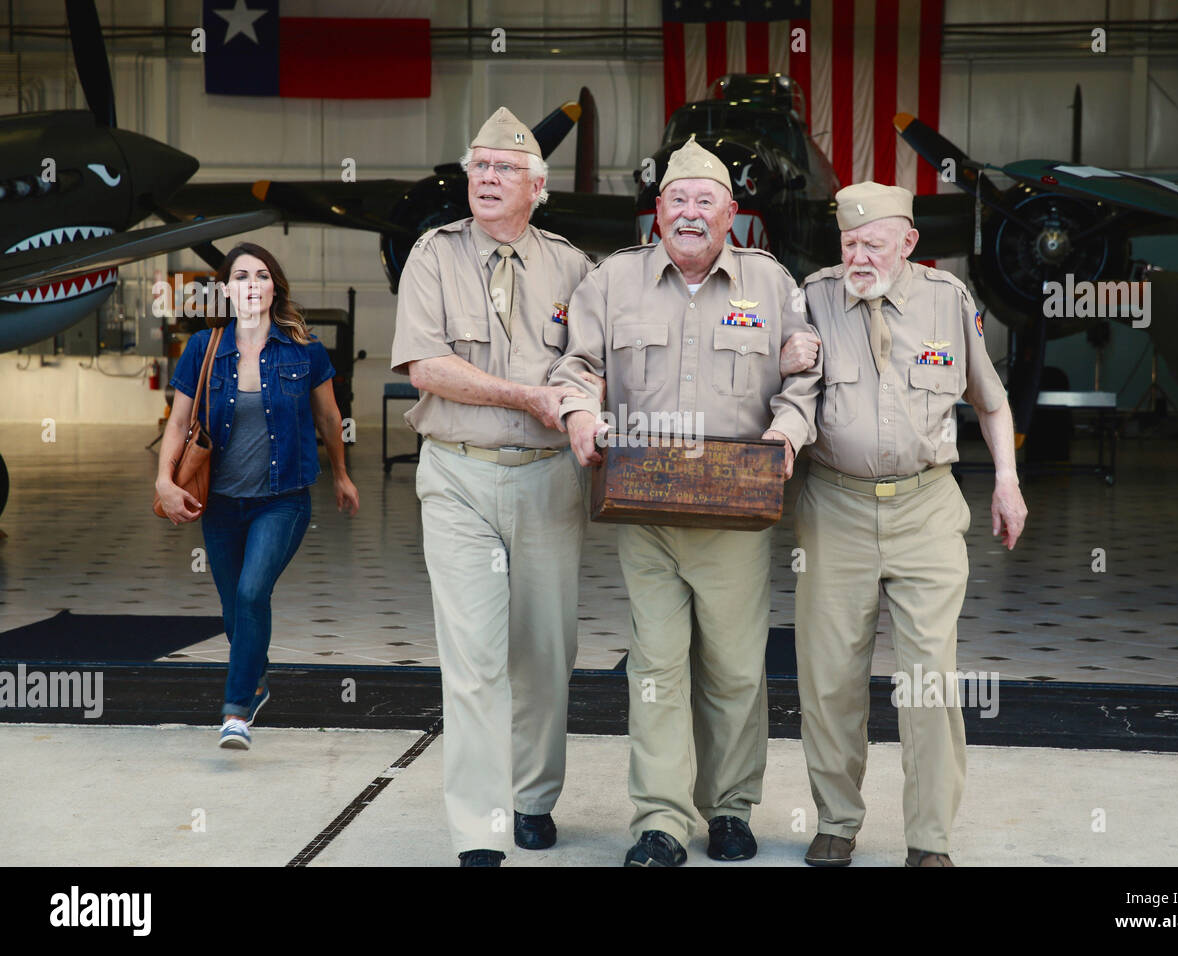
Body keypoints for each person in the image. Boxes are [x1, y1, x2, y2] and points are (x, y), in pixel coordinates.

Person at [552, 134, 820, 867]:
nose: (691, 213)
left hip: (736, 513)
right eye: (678, 200)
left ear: (732, 213)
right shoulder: (613, 282)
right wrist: (580, 412)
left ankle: (730, 810)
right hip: (645, 511)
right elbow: (577, 365)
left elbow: (804, 380)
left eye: (707, 201)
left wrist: (788, 434)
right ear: (657, 211)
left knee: (735, 669)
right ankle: (660, 822)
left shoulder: (771, 286)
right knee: (657, 667)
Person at [780, 181, 1027, 867]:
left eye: (874, 244)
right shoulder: (815, 295)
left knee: (929, 681)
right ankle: (836, 820)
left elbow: (992, 404)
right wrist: (780, 362)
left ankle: (929, 841)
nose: (858, 256)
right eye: (848, 242)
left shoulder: (948, 302)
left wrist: (1007, 483)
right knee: (829, 677)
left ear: (909, 243)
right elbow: (777, 389)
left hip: (926, 508)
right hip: (835, 507)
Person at [390, 107, 598, 867]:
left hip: (548, 482)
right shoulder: (433, 256)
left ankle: (535, 798)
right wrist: (526, 397)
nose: (485, 178)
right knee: (474, 658)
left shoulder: (574, 269)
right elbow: (426, 368)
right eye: (477, 166)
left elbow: (599, 362)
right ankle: (480, 829)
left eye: (503, 168)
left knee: (546, 650)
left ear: (537, 186)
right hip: (459, 477)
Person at [155, 242, 359, 751]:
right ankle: (259, 677)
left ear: (274, 288)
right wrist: (164, 480)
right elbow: (179, 421)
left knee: (250, 594)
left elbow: (330, 418)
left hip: (282, 498)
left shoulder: (303, 349)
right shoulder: (204, 348)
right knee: (233, 608)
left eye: (261, 275)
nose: (251, 283)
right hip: (219, 503)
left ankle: (236, 710)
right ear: (226, 289)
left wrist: (341, 474)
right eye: (241, 275)